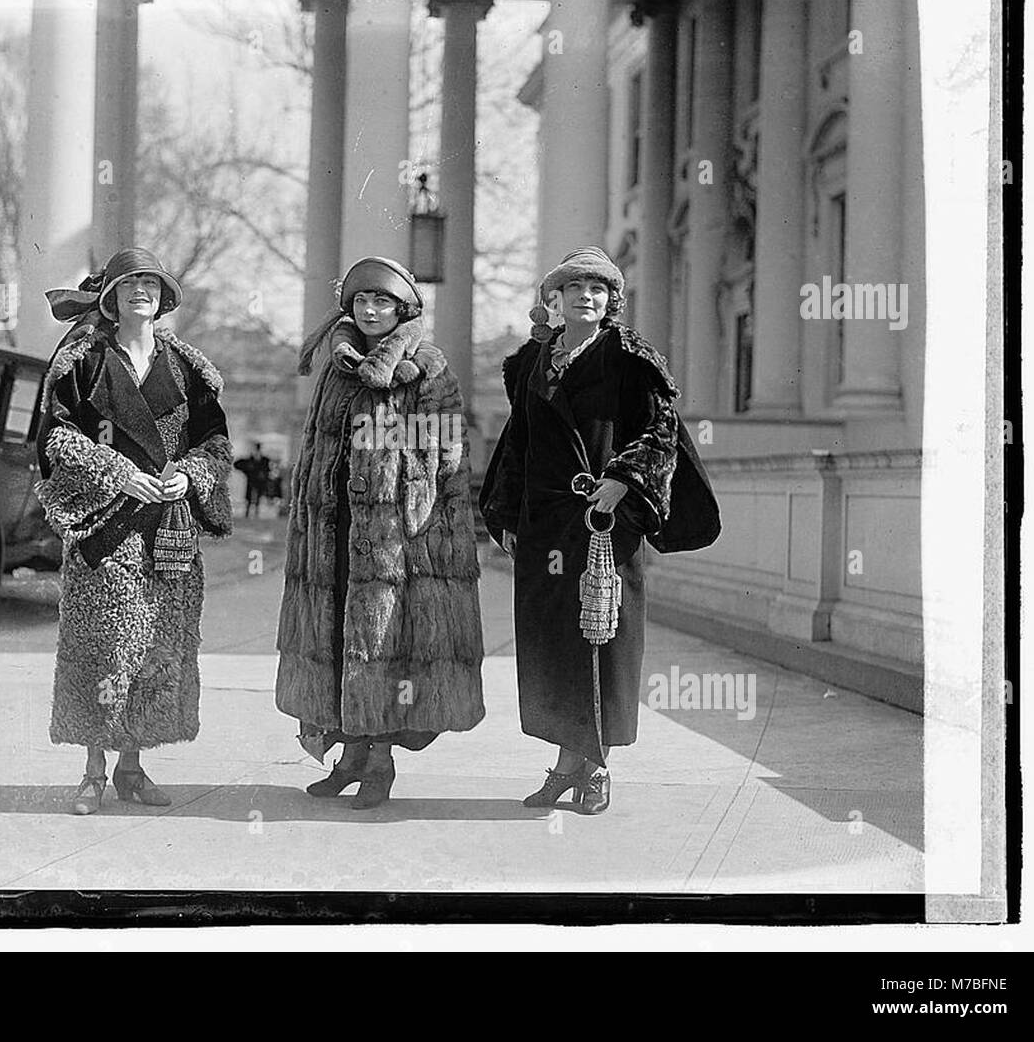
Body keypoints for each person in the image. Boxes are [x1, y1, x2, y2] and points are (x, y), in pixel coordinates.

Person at [479, 246, 720, 815]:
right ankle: (565, 764)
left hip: (606, 524)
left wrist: (623, 481)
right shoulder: (528, 365)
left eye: (599, 289)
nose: (586, 297)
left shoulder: (630, 357)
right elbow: (519, 443)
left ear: (611, 300)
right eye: (573, 289)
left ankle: (597, 770)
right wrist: (507, 513)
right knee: (552, 645)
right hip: (544, 530)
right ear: (553, 301)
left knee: (605, 641)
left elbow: (661, 434)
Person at [275, 256, 485, 808]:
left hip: (398, 539)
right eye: (362, 301)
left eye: (382, 302)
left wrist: (419, 518)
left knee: (386, 648)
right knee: (338, 640)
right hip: (335, 531)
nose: (371, 311)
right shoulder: (335, 370)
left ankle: (380, 763)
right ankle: (348, 756)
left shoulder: (430, 369)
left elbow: (448, 460)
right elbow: (315, 453)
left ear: (403, 309)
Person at [34, 247, 234, 815]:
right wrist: (122, 474)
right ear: (112, 296)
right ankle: (93, 771)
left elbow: (217, 444)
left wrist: (190, 477)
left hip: (168, 531)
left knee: (155, 649)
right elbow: (55, 439)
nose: (140, 291)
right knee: (102, 648)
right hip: (104, 526)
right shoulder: (83, 363)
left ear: (163, 297)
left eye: (150, 283)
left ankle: (132, 768)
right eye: (129, 283)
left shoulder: (189, 369)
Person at [234, 442, 272, 517]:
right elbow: (238, 465)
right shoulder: (250, 460)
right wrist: (247, 471)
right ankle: (247, 513)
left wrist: (264, 475)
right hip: (251, 480)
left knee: (258, 497)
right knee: (249, 497)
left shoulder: (264, 460)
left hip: (259, 481)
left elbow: (268, 469)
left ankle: (255, 513)